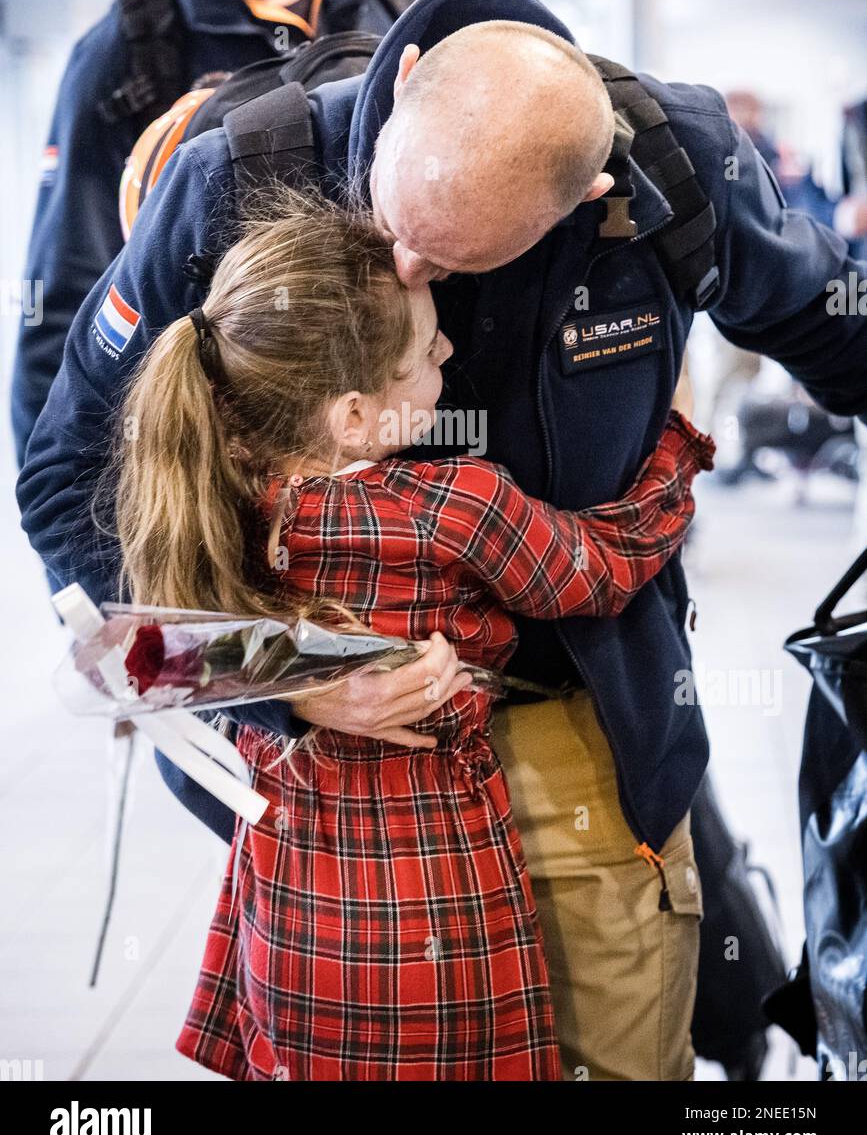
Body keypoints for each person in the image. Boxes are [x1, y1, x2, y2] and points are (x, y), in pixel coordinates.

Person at [18, 0, 867, 1080]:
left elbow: (844, 339)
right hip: (328, 774)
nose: (411, 284)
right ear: (403, 85)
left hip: (584, 738)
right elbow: (65, 483)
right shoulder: (237, 177)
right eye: (390, 228)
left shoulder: (673, 170)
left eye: (455, 261)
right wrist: (285, 678)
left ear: (582, 195)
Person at [111, 187, 713, 1080]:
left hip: (290, 902)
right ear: (355, 416)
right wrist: (675, 444)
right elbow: (599, 567)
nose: (451, 352)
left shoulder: (211, 501)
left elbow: (144, 663)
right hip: (435, 897)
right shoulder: (452, 505)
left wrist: (290, 675)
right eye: (429, 353)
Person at [10, 0, 425, 466]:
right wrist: (77, 551)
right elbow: (63, 312)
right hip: (205, 474)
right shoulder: (128, 52)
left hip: (393, 472)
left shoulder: (407, 22)